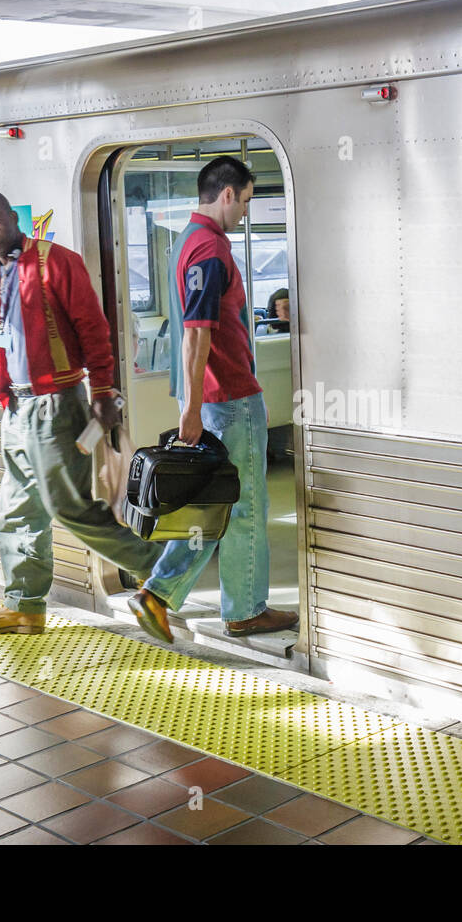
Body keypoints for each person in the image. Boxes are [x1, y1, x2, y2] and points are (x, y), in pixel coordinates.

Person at [0, 191, 160, 635]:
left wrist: (104, 388)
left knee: (68, 507)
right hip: (15, 407)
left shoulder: (58, 262)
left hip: (55, 404)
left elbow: (93, 327)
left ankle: (162, 569)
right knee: (17, 509)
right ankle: (25, 606)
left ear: (15, 219)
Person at [129, 156, 298, 643]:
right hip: (227, 399)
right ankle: (243, 611)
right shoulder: (209, 249)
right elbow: (196, 333)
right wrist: (192, 410)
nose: (244, 212)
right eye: (244, 201)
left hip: (215, 398)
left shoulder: (187, 242)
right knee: (245, 506)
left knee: (219, 504)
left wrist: (191, 402)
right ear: (226, 194)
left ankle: (157, 595)